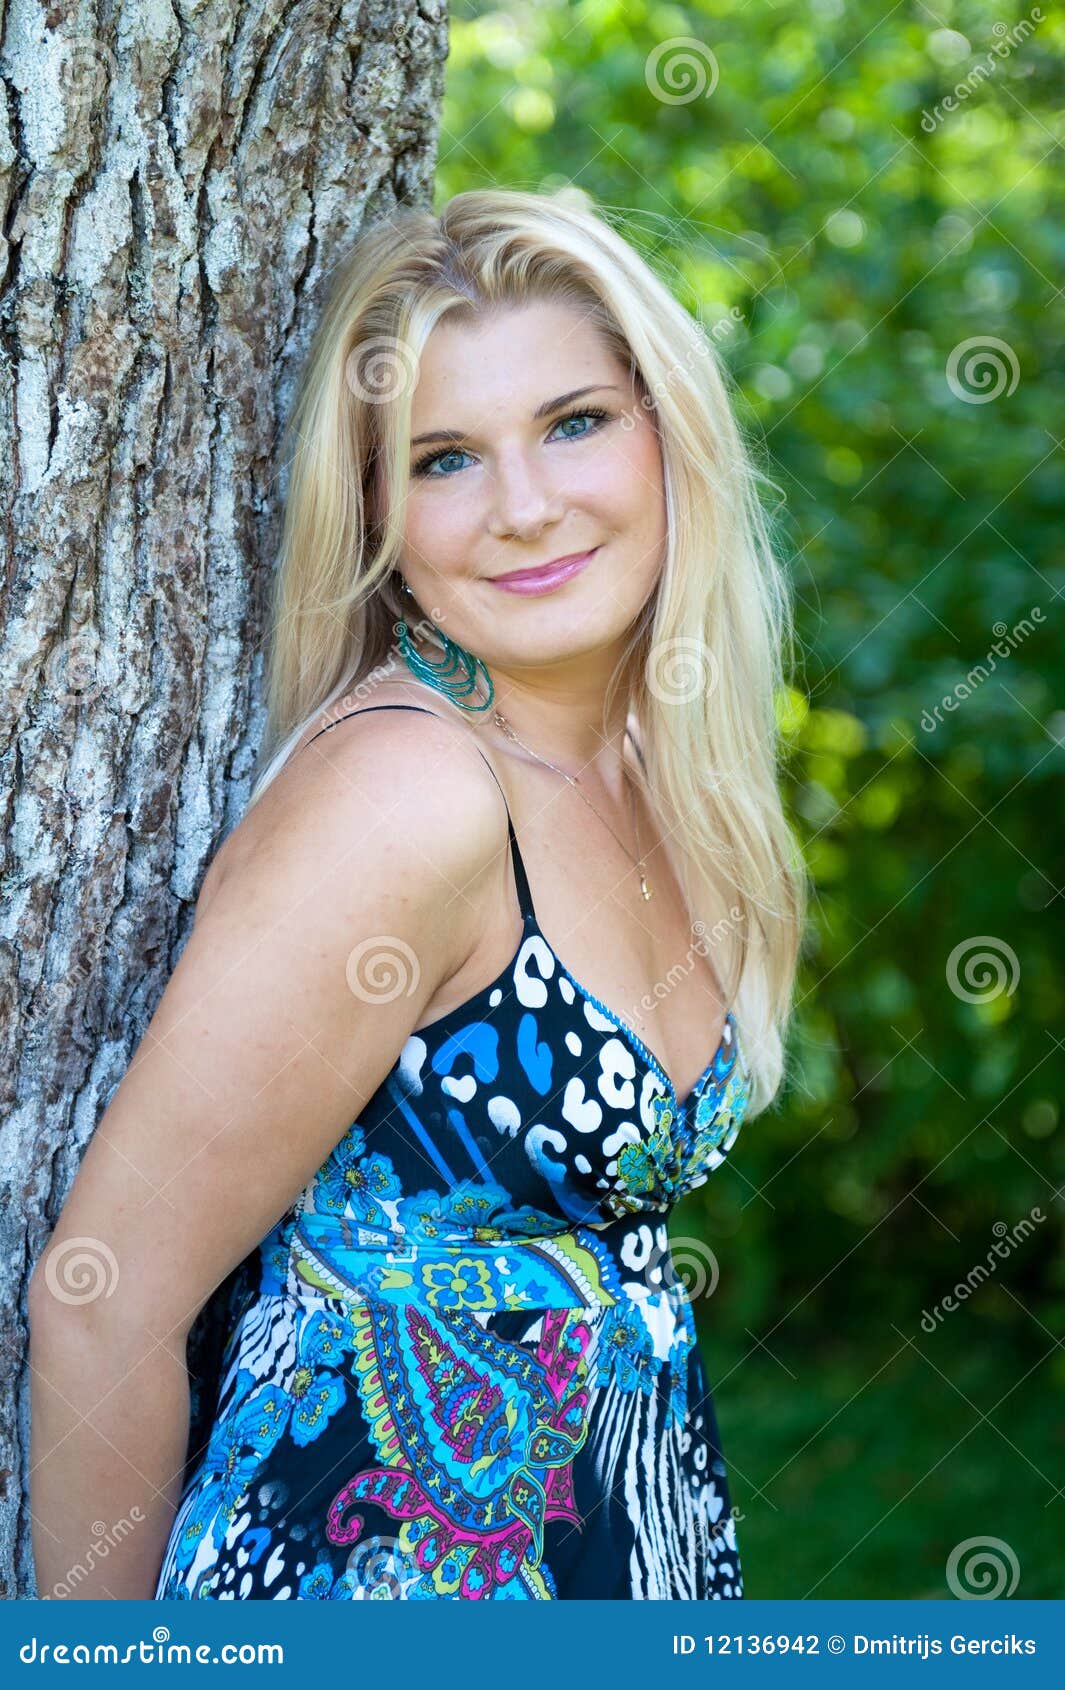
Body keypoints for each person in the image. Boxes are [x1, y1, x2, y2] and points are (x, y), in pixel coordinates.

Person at [28, 187, 806, 1601]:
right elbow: (106, 1301)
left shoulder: (658, 765)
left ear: (664, 428)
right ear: (376, 508)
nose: (525, 507)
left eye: (574, 422)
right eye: (444, 458)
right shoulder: (411, 797)